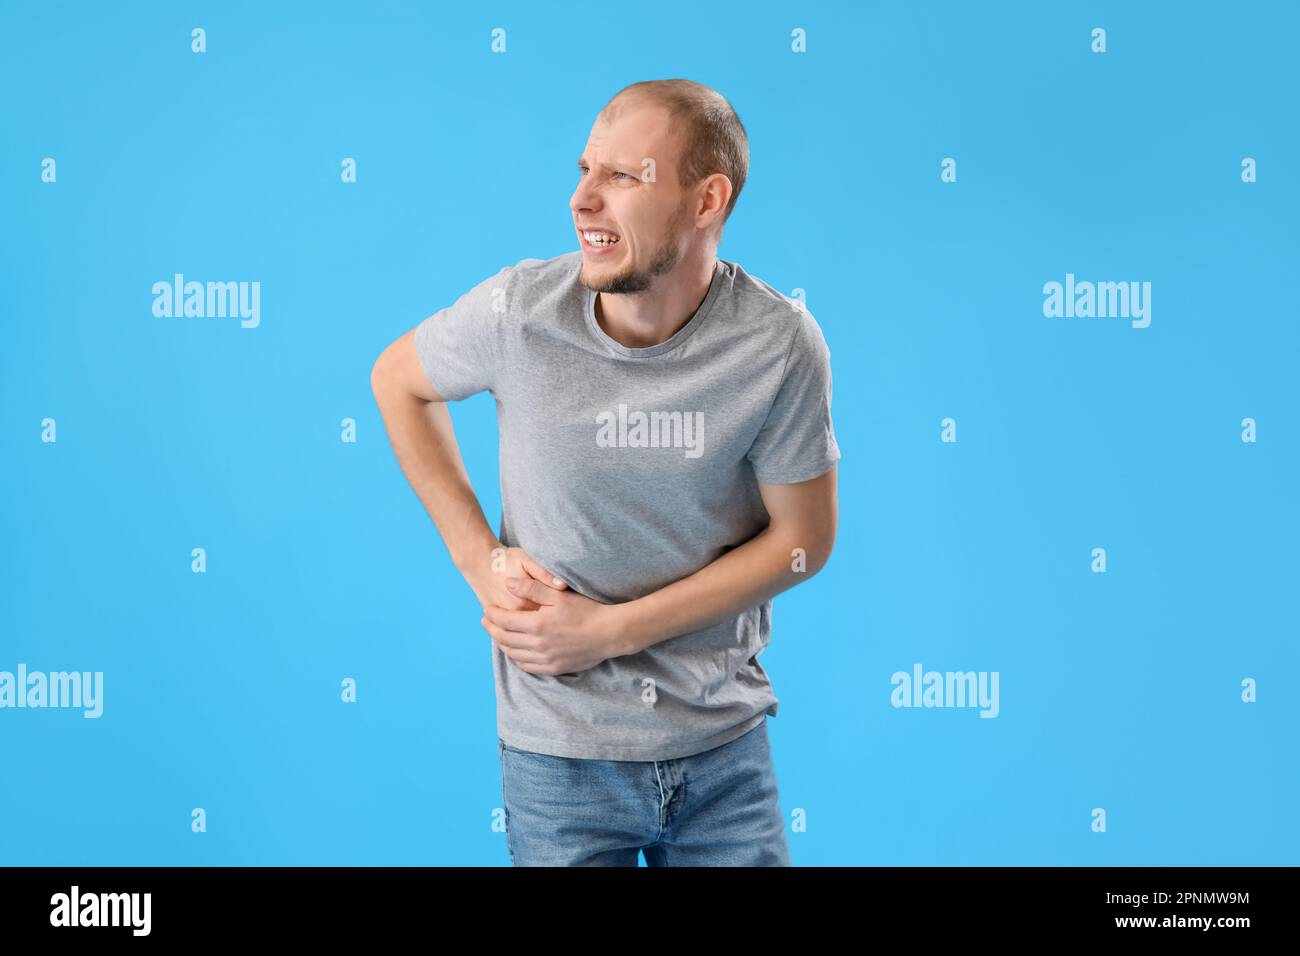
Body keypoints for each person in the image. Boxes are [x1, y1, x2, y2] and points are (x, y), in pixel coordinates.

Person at [371, 78, 840, 866]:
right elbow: (397, 382)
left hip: (722, 748)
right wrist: (479, 560)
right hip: (560, 762)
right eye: (585, 171)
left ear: (706, 202)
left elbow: (804, 542)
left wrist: (610, 631)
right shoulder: (519, 312)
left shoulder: (779, 343)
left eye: (622, 177)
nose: (582, 199)